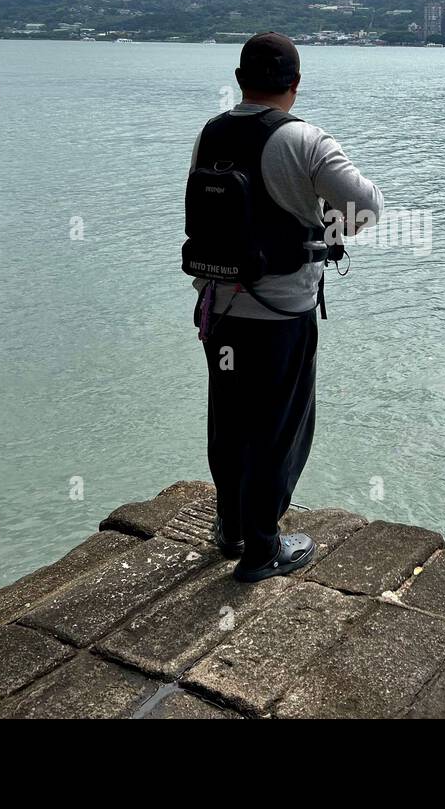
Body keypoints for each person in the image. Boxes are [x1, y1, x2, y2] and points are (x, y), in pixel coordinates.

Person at [185, 32, 383, 582]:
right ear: (295, 84)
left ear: (240, 78)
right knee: (278, 426)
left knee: (229, 422)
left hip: (218, 309)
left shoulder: (211, 132)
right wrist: (327, 228)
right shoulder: (306, 140)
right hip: (281, 315)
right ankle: (262, 548)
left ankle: (229, 527)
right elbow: (368, 207)